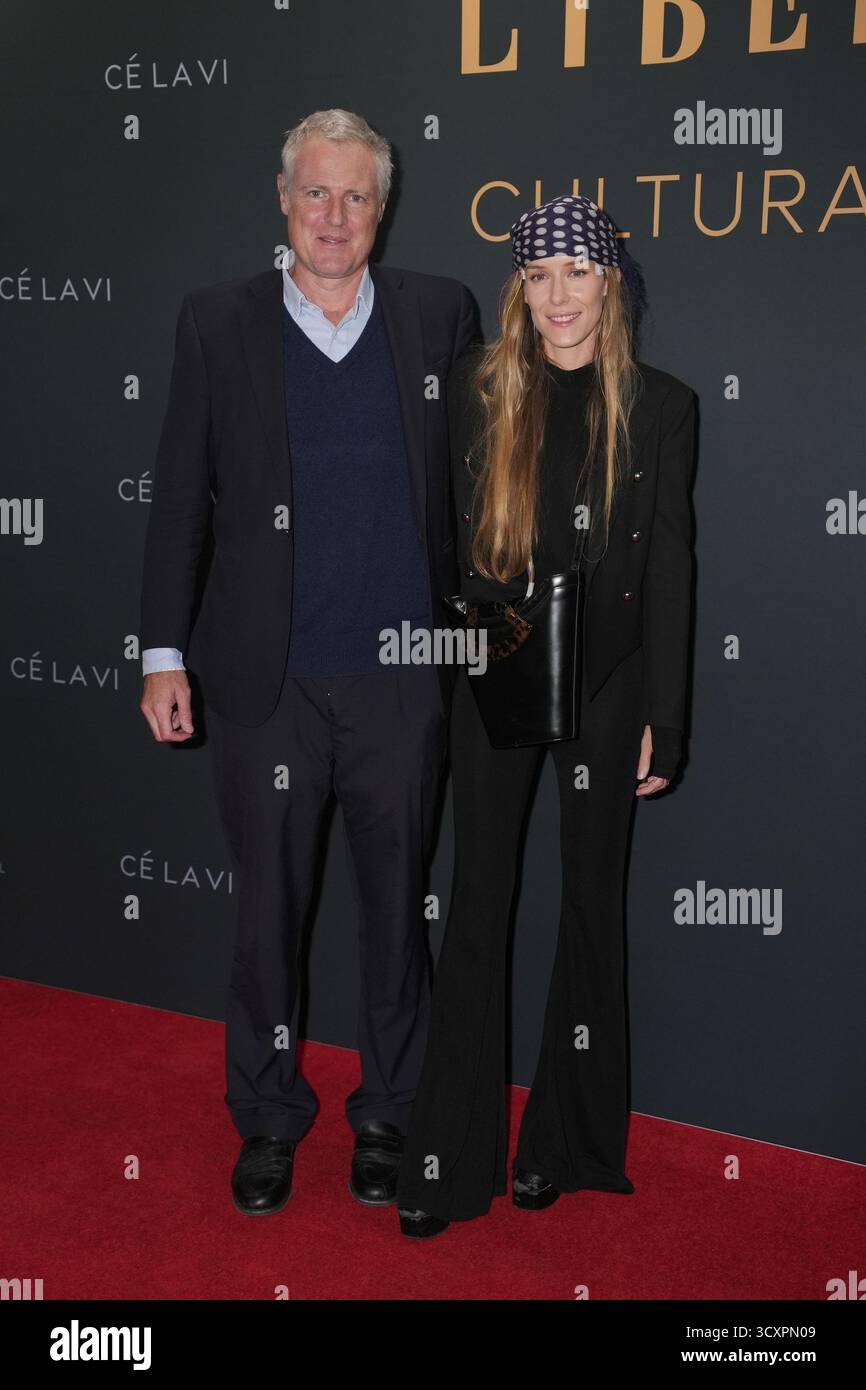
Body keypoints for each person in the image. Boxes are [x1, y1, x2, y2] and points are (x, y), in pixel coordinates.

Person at [138, 108, 480, 1216]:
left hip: (398, 677)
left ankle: (388, 1110)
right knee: (265, 918)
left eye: (357, 197)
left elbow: (480, 499)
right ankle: (270, 1116)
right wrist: (160, 652)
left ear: (382, 209)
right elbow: (179, 502)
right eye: (315, 193)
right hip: (261, 682)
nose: (335, 217)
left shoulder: (438, 315)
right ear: (281, 199)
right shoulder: (216, 322)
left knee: (397, 914)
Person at [395, 194, 697, 1237]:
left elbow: (668, 565)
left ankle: (559, 1146)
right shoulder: (480, 393)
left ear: (608, 283)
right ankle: (447, 1155)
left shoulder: (661, 406)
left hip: (610, 686)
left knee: (586, 907)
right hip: (499, 669)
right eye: (538, 275)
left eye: (576, 272)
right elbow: (440, 550)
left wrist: (664, 707)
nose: (557, 296)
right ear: (517, 289)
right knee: (474, 904)